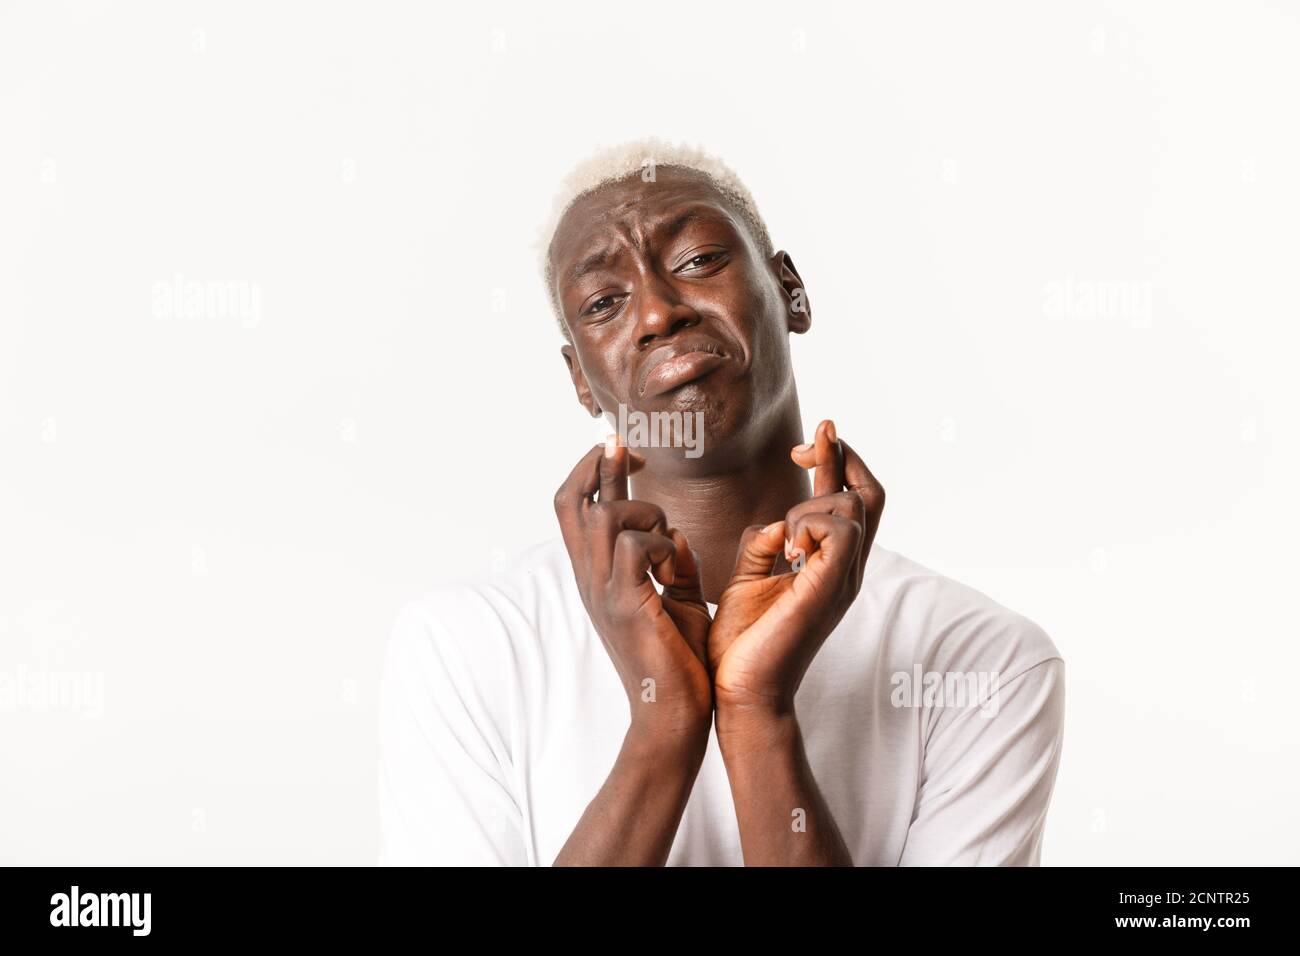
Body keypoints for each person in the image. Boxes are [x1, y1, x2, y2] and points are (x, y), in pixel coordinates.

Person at [380, 140, 1065, 866]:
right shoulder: (465, 645)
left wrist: (757, 712)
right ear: (581, 380)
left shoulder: (982, 659)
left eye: (699, 260)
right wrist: (664, 724)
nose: (657, 314)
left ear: (791, 294)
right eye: (605, 302)